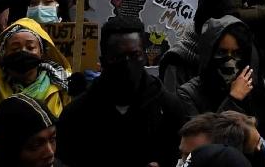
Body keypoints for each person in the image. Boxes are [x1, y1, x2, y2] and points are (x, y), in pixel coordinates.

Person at [54, 21, 180, 167]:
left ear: (144, 58)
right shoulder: (76, 115)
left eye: (134, 55)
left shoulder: (168, 109)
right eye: (117, 57)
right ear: (103, 62)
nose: (127, 65)